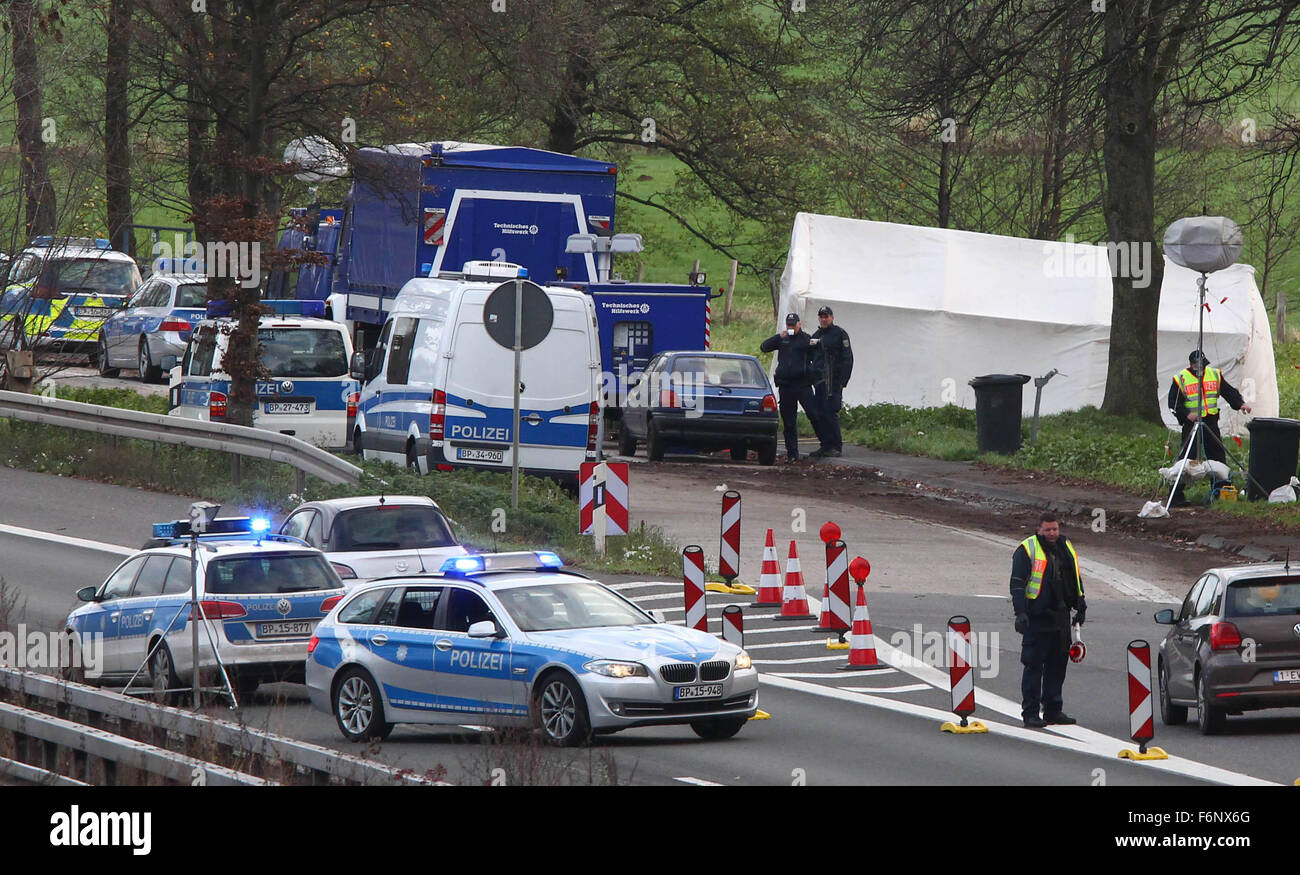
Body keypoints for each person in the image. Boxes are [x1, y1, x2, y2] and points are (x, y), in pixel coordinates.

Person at [1009, 513, 1086, 728]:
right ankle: (1031, 713)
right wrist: (1021, 613)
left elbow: (1075, 578)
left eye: (1055, 529)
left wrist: (1081, 605)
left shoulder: (1066, 546)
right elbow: (1017, 584)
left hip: (1061, 616)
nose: (1052, 533)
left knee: (1057, 665)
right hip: (1037, 617)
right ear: (1039, 529)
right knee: (1034, 666)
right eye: (1047, 530)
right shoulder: (1027, 549)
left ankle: (1053, 710)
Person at [1167, 349, 1251, 507]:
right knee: (1186, 459)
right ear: (1191, 364)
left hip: (1210, 422)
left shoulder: (1215, 374)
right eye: (1197, 365)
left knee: (1217, 457)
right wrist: (1186, 414)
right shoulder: (1181, 379)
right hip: (1191, 424)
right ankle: (1176, 494)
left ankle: (1219, 491)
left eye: (1203, 365)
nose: (1201, 369)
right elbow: (1173, 404)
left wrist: (1241, 404)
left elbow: (1228, 392)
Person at [760, 314, 830, 461]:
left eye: (793, 325)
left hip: (803, 385)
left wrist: (813, 371)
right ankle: (792, 454)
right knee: (789, 422)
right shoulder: (782, 339)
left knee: (814, 414)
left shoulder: (806, 339)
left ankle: (826, 445)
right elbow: (764, 347)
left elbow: (819, 355)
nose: (790, 328)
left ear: (799, 325)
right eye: (788, 325)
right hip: (786, 386)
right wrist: (778, 336)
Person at [809, 305, 853, 459]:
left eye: (826, 316)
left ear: (832, 317)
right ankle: (826, 446)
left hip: (834, 382)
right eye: (821, 316)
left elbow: (848, 359)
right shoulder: (816, 336)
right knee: (820, 414)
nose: (823, 319)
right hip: (820, 382)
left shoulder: (840, 334)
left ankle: (836, 446)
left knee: (830, 412)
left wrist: (842, 382)